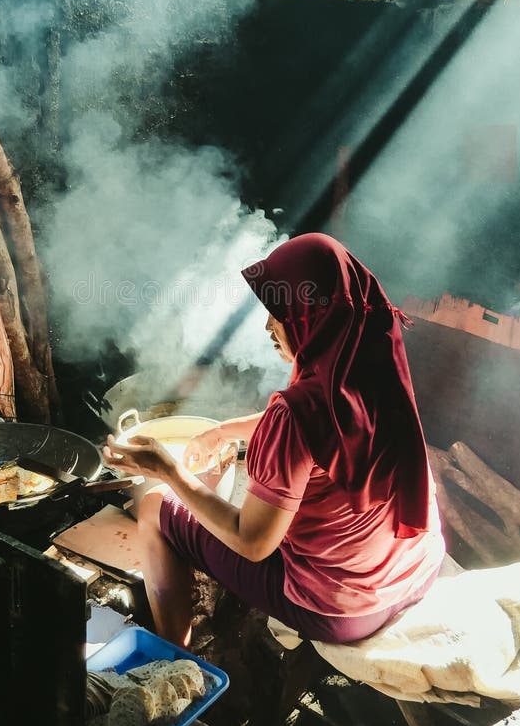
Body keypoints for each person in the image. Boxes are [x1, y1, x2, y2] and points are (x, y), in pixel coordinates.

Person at [103, 233, 445, 648]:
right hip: (415, 569)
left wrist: (168, 471)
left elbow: (253, 544)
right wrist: (222, 430)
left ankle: (172, 659)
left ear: (308, 316)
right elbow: (324, 417)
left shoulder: (295, 414)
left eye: (279, 314)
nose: (268, 326)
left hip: (344, 611)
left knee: (157, 507)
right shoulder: (372, 356)